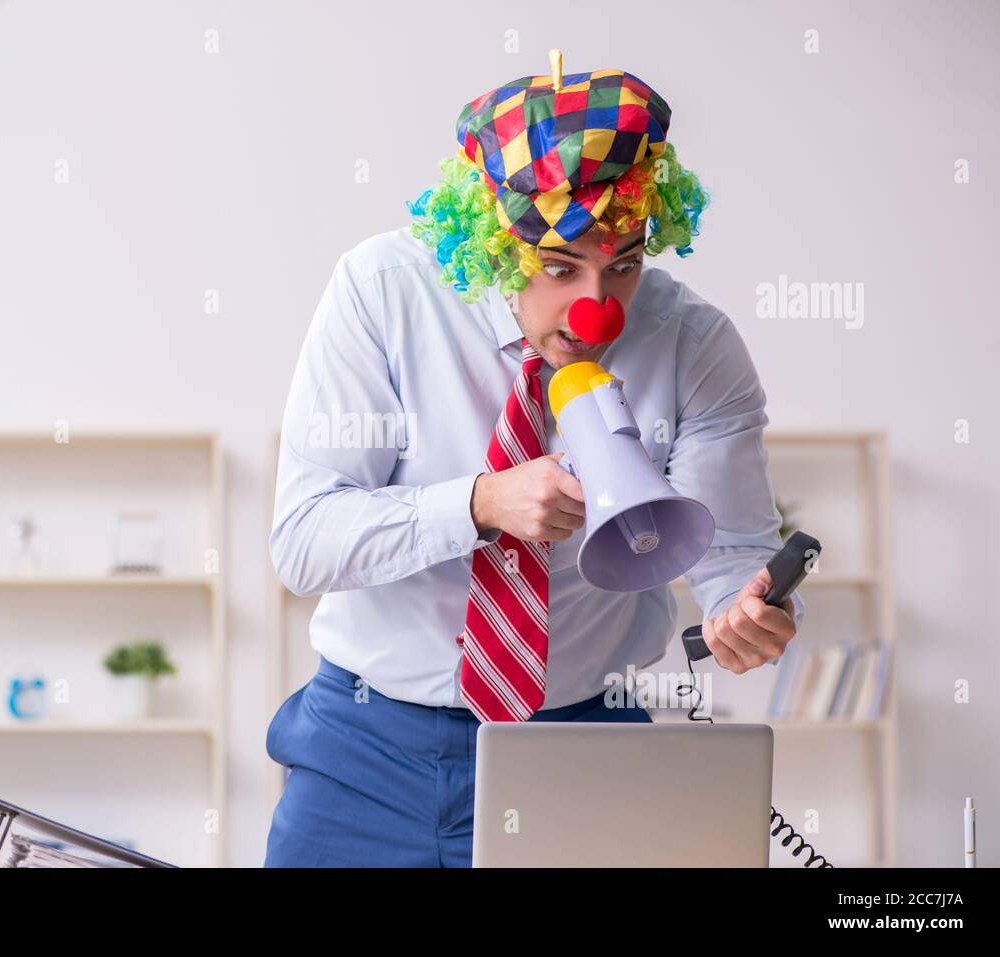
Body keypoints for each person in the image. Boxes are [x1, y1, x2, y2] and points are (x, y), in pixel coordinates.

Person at [263, 51, 804, 867]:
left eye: (623, 264)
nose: (597, 306)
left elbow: (731, 556)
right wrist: (478, 504)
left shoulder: (695, 344)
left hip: (582, 743)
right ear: (494, 246)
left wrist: (746, 614)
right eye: (559, 268)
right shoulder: (381, 292)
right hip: (365, 746)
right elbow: (303, 541)